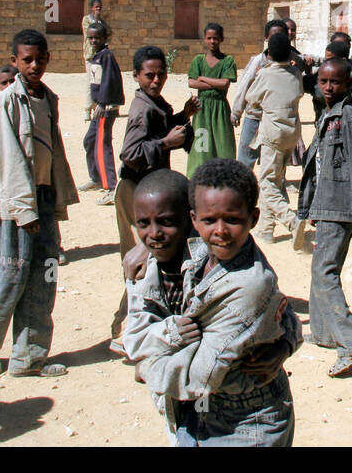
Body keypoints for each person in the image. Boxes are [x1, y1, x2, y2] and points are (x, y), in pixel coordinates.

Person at [122, 163, 301, 447]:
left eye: (166, 222)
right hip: (193, 415)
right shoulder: (186, 254)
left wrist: (147, 366)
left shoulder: (245, 281)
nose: (220, 230)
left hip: (243, 422)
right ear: (195, 220)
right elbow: (283, 309)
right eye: (145, 223)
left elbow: (197, 377)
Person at [0, 29, 78, 378]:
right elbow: (9, 159)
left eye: (40, 59)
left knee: (44, 276)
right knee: (11, 275)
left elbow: (53, 153)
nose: (34, 65)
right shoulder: (7, 102)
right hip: (15, 205)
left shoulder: (48, 99)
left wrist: (54, 201)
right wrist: (24, 210)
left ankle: (29, 357)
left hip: (42, 198)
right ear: (14, 61)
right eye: (27, 59)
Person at [111, 45, 199, 349]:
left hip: (148, 192)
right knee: (141, 260)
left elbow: (160, 127)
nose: (156, 80)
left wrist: (182, 116)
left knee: (148, 258)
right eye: (150, 75)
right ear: (136, 76)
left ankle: (132, 324)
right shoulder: (141, 108)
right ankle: (127, 331)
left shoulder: (154, 102)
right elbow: (131, 153)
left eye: (161, 74)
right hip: (135, 192)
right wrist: (166, 143)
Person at [297, 58, 352, 377]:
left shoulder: (346, 116)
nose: (328, 87)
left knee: (325, 270)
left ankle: (351, 342)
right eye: (323, 82)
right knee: (320, 267)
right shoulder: (327, 114)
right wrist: (313, 206)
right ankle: (322, 332)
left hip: (342, 205)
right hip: (327, 203)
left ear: (348, 85)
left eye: (335, 83)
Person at [244, 31, 305, 242]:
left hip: (273, 134)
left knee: (268, 182)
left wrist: (263, 74)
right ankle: (266, 230)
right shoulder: (296, 74)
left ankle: (291, 220)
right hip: (292, 134)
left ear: (269, 53)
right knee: (276, 179)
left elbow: (251, 98)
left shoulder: (266, 74)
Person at [232, 18, 289, 168]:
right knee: (246, 157)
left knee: (274, 161)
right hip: (254, 117)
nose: (276, 40)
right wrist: (236, 112)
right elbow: (244, 86)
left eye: (281, 37)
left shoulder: (291, 61)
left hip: (277, 120)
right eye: (273, 37)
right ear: (266, 39)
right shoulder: (258, 61)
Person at [80, 20, 124, 205]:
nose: (93, 40)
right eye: (90, 37)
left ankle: (111, 188)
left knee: (101, 145)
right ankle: (96, 177)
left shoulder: (106, 56)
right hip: (98, 107)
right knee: (90, 141)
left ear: (105, 38)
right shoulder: (97, 56)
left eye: (97, 37)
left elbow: (110, 81)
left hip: (105, 109)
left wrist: (104, 103)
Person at [186, 22, 238, 175]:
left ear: (221, 39)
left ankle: (225, 175)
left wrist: (203, 78)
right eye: (209, 38)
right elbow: (191, 82)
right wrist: (215, 84)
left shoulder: (228, 61)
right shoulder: (198, 60)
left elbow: (225, 83)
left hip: (220, 107)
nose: (212, 42)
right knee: (201, 142)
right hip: (200, 107)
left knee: (223, 142)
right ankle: (200, 174)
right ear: (204, 39)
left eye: (215, 38)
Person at [81, 0, 105, 122]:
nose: (98, 9)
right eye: (96, 7)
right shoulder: (86, 20)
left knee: (99, 81)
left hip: (100, 55)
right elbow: (90, 33)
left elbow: (107, 34)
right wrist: (96, 20)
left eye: (100, 7)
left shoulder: (103, 22)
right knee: (90, 82)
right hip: (90, 55)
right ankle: (87, 109)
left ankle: (97, 107)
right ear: (91, 8)